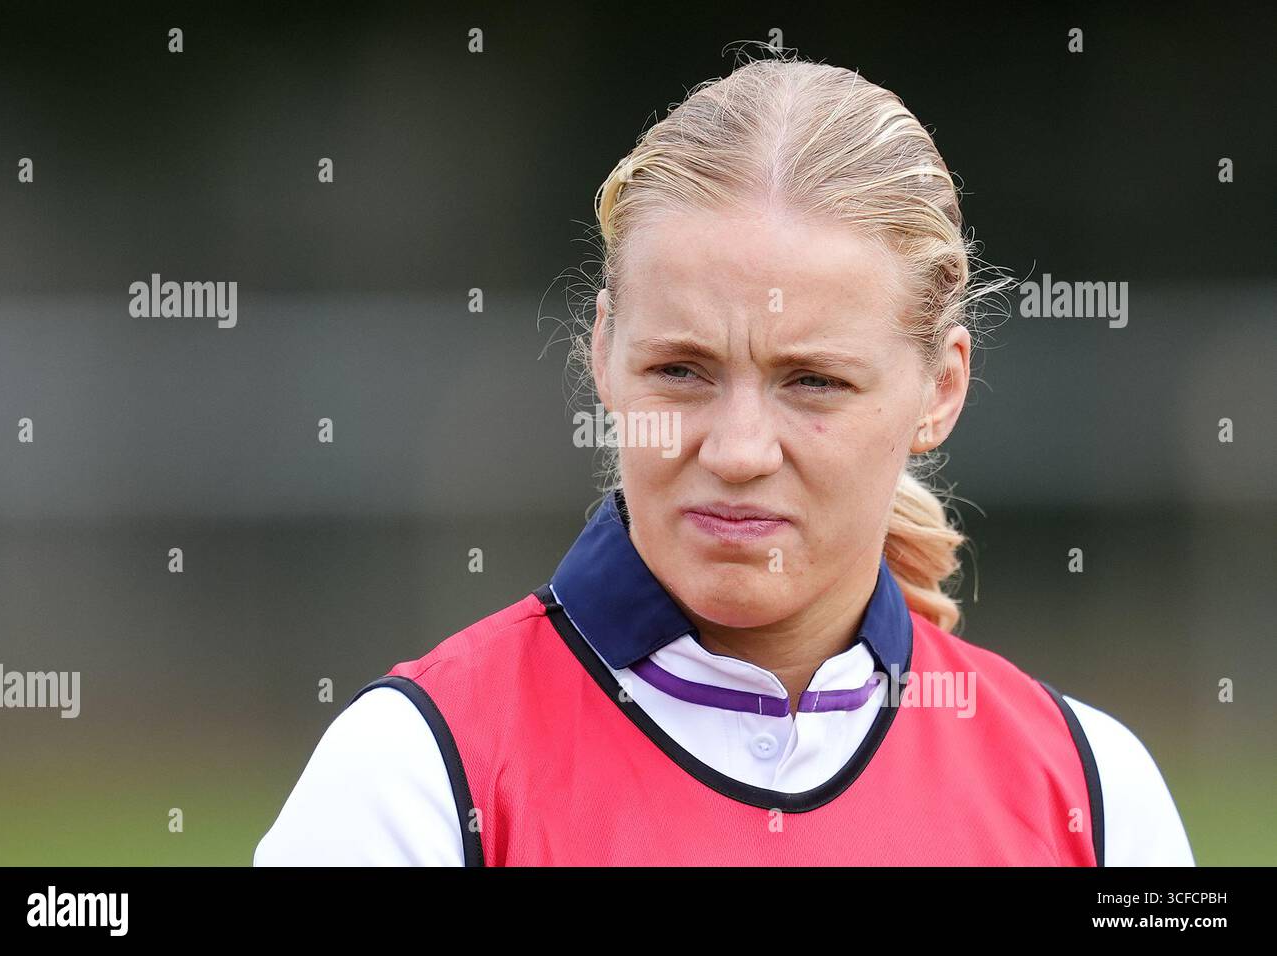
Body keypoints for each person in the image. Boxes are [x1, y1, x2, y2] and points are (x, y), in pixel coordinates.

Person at [255, 52, 1194, 866]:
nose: (738, 451)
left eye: (813, 382)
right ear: (603, 355)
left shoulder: (1094, 797)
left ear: (940, 391)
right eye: (681, 370)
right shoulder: (413, 776)